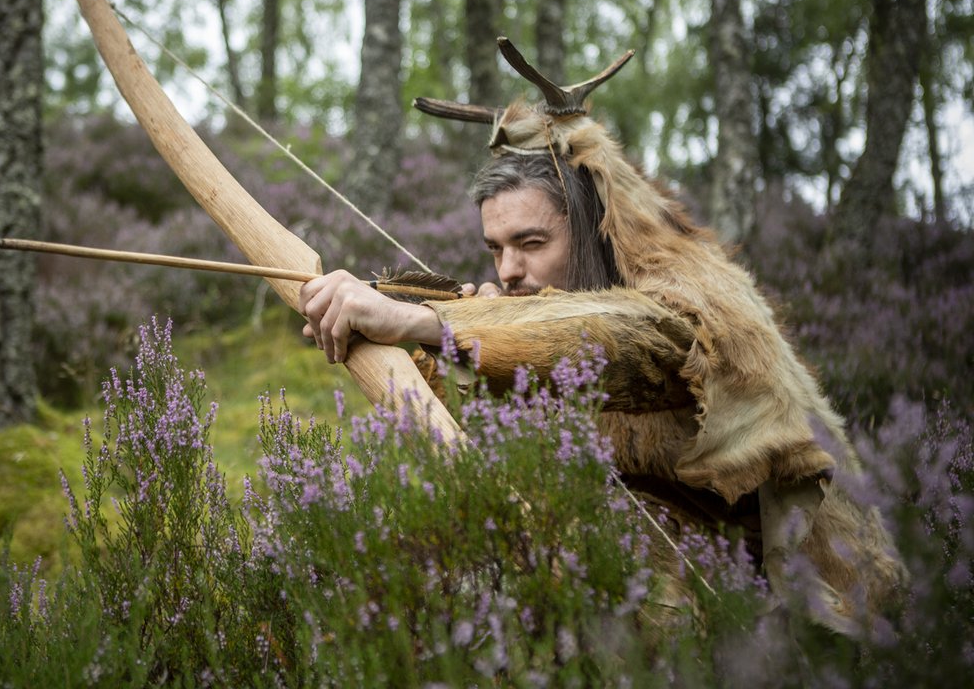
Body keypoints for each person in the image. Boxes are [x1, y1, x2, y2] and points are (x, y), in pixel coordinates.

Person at [298, 46, 905, 635]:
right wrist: (440, 354)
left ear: (591, 231)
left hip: (800, 604)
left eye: (532, 244)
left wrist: (435, 324)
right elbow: (530, 438)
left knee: (608, 536)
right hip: (686, 559)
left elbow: (632, 337)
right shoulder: (526, 308)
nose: (507, 270)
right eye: (496, 248)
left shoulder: (695, 290)